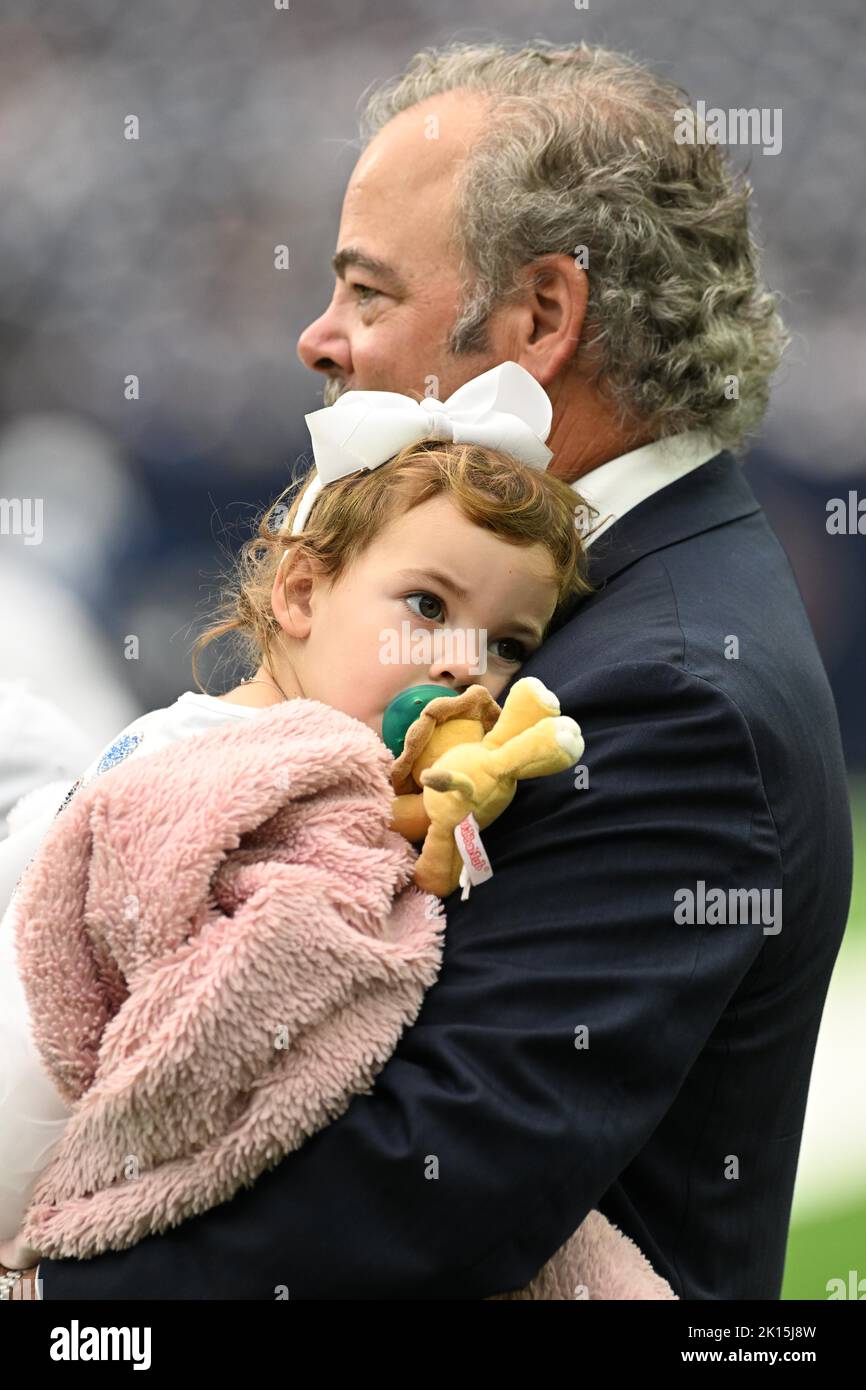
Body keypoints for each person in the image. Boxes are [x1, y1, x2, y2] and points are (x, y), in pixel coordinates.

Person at [29, 39, 851, 1300]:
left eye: (365, 291)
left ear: (539, 319)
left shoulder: (672, 685)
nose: (319, 337)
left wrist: (60, 1308)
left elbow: (424, 1190)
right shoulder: (615, 598)